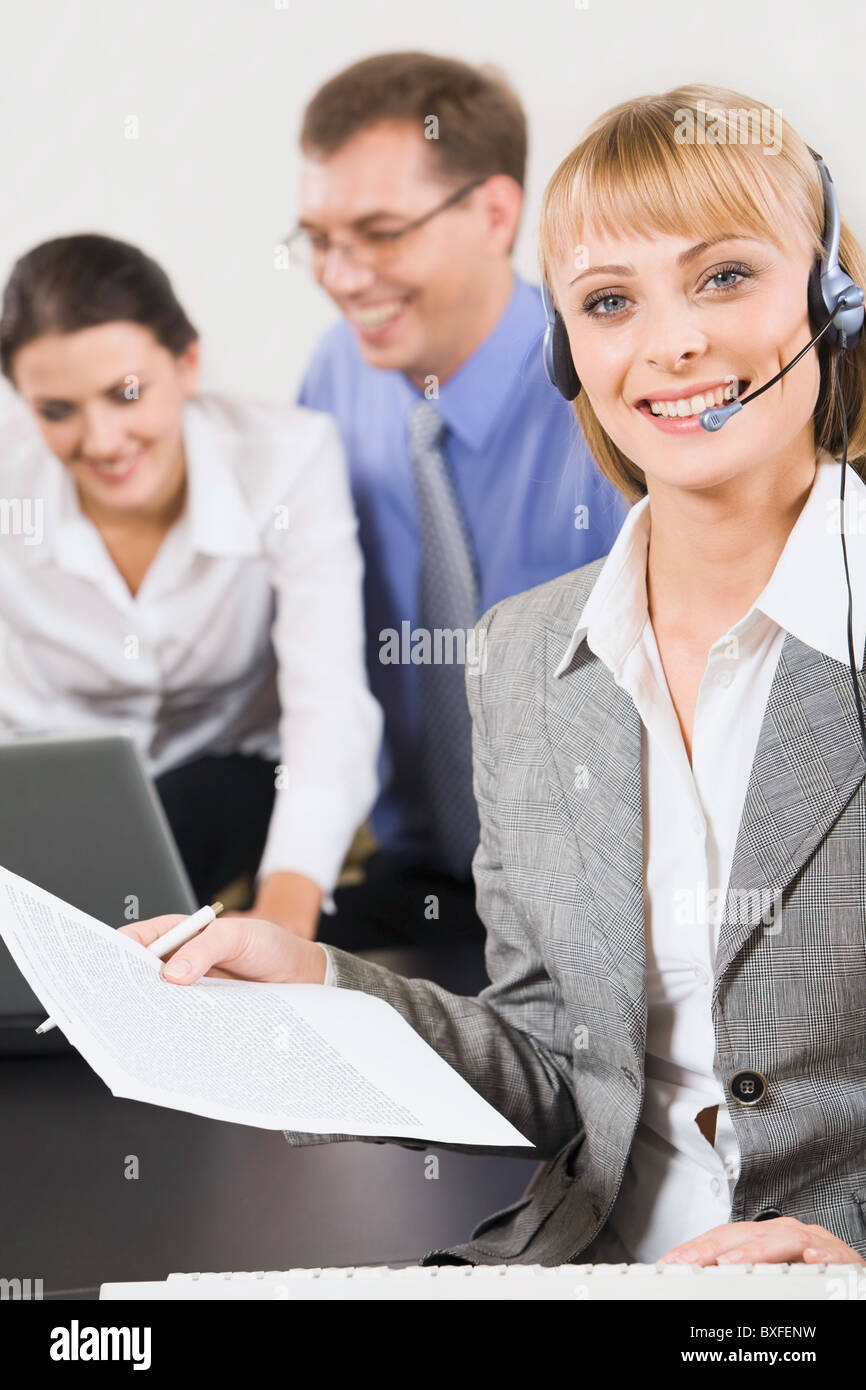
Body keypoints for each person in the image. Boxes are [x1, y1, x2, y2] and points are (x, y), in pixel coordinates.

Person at [126, 85, 866, 1267]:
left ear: (831, 300)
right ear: (568, 350)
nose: (669, 342)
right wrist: (313, 978)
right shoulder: (527, 652)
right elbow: (556, 1066)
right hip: (577, 1271)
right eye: (609, 301)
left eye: (723, 276)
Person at [290, 52, 629, 950]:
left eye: (380, 232)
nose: (344, 274)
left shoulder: (609, 390)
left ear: (493, 212)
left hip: (596, 890)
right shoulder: (335, 375)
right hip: (413, 878)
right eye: (320, 239)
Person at [0, 233, 381, 935]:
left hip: (232, 783)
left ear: (188, 362)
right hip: (54, 801)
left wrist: (285, 914)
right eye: (57, 411)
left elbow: (328, 706)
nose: (104, 440)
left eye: (126, 394)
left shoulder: (288, 458)